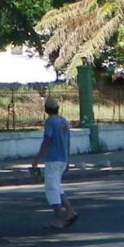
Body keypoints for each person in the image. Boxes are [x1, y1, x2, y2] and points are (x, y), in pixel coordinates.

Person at [30, 96, 76, 228]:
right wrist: (67, 160)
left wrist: (37, 159)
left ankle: (58, 219)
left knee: (51, 189)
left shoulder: (50, 122)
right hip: (62, 159)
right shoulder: (64, 121)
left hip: (53, 159)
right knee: (58, 187)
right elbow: (67, 142)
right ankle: (70, 212)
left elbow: (47, 141)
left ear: (46, 109)